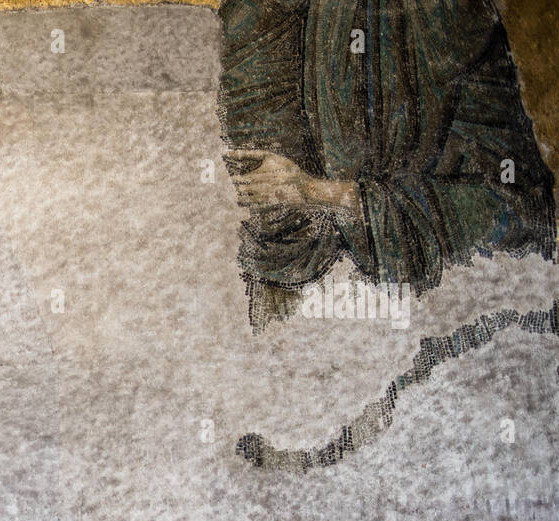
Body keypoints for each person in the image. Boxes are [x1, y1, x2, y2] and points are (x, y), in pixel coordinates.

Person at [218, 0, 556, 330]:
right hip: (311, 325)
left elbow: (519, 213)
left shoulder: (449, 19)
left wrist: (326, 194)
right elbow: (268, 220)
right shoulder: (259, 16)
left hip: (439, 321)